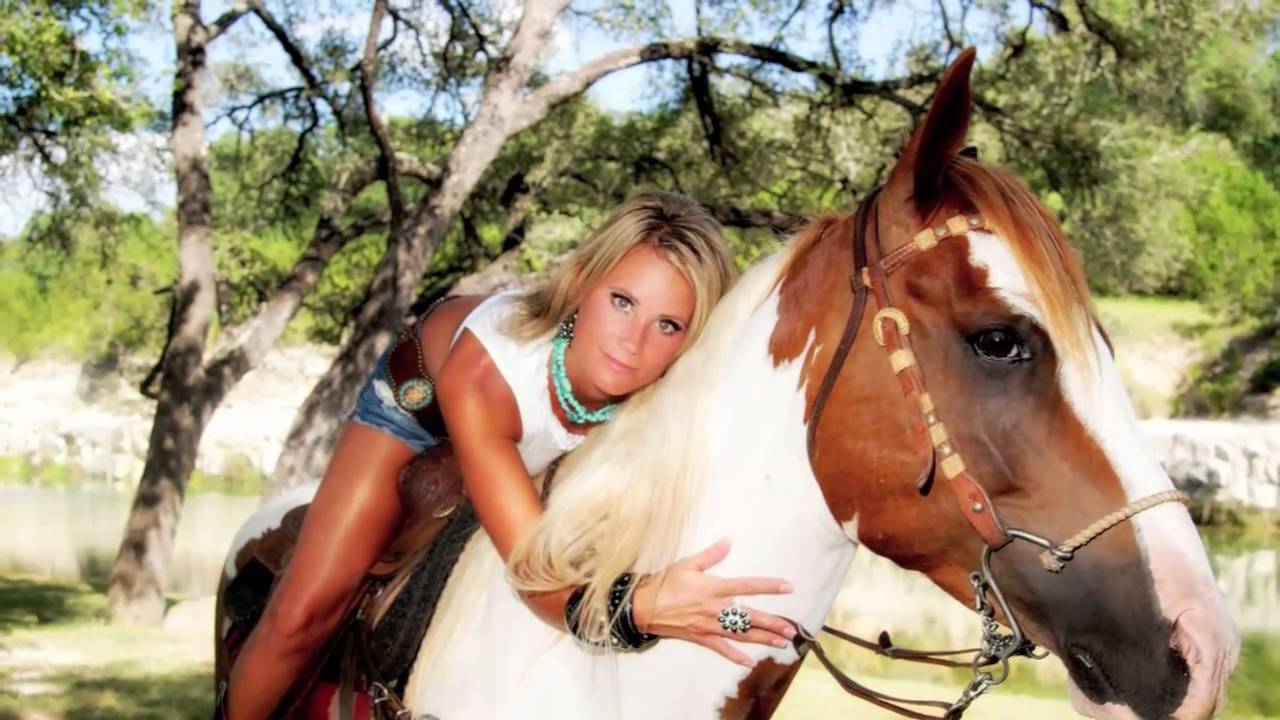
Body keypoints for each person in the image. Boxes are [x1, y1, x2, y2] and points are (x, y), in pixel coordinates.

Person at [224, 192, 797, 719]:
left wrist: (732, 614)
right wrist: (640, 608)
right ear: (581, 286)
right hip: (422, 406)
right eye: (622, 301)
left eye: (668, 325)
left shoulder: (664, 395)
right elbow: (535, 576)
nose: (633, 341)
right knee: (305, 613)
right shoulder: (489, 378)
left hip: (540, 441)